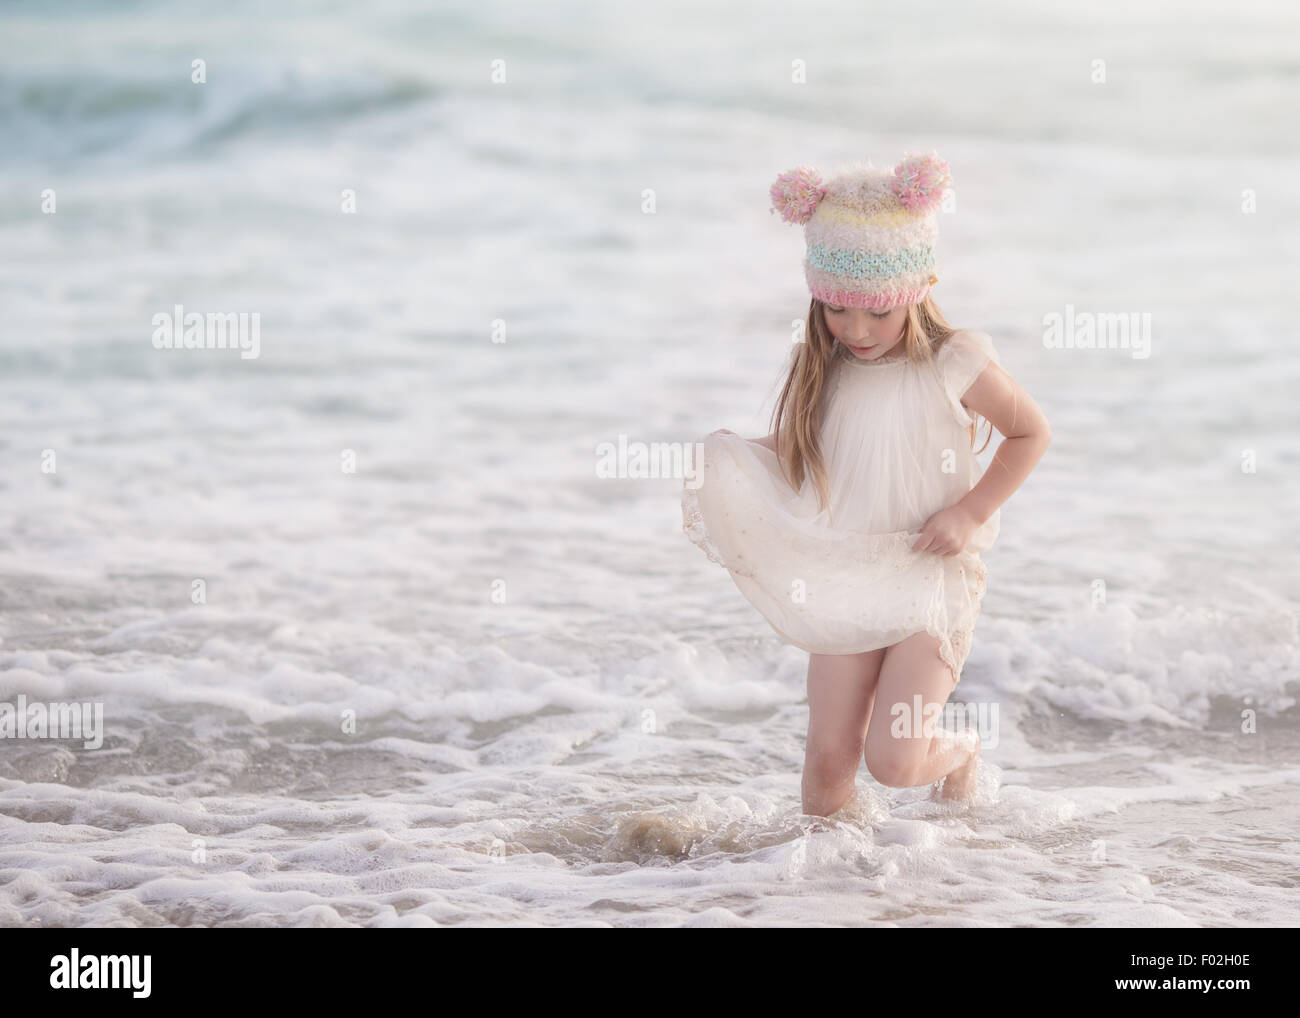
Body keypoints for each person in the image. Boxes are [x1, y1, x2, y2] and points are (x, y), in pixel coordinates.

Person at [681, 152, 1051, 815]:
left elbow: (1032, 434)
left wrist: (970, 511)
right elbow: (812, 454)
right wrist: (737, 456)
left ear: (918, 288)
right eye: (838, 312)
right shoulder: (826, 367)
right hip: (847, 575)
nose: (856, 331)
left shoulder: (954, 361)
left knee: (896, 759)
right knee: (828, 764)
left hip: (928, 577)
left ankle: (961, 751)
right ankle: (826, 893)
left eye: (877, 314)